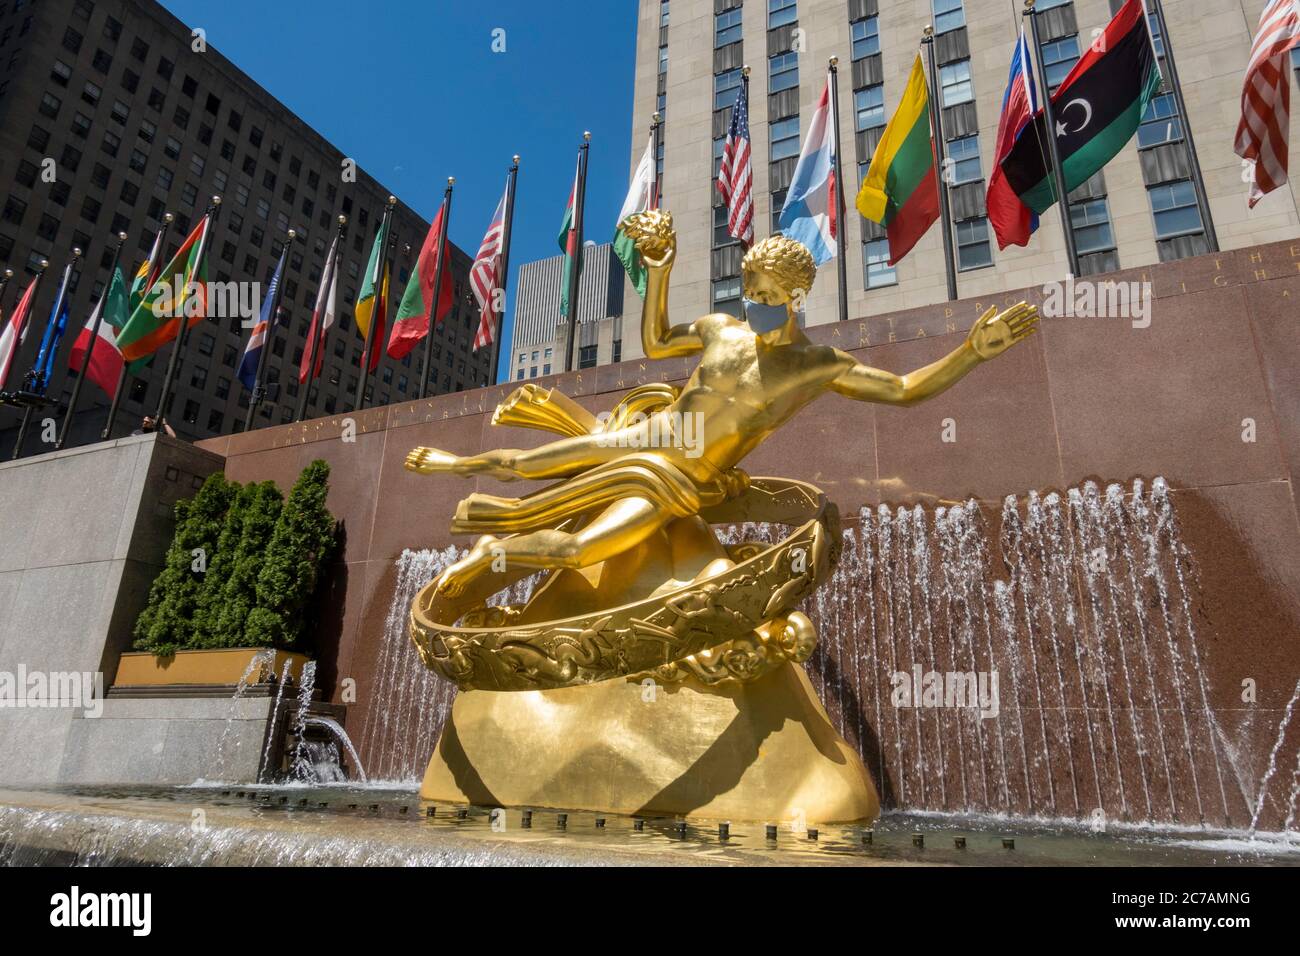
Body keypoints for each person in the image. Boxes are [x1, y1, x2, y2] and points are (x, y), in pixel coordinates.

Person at [407, 210, 1037, 599]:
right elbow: (655, 342)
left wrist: (972, 353)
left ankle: (493, 554)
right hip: (646, 437)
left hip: (681, 479)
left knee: (577, 550)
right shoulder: (721, 329)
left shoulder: (815, 365)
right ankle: (452, 465)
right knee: (526, 466)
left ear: (793, 296)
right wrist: (660, 271)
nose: (751, 300)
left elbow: (902, 391)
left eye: (764, 293)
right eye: (748, 288)